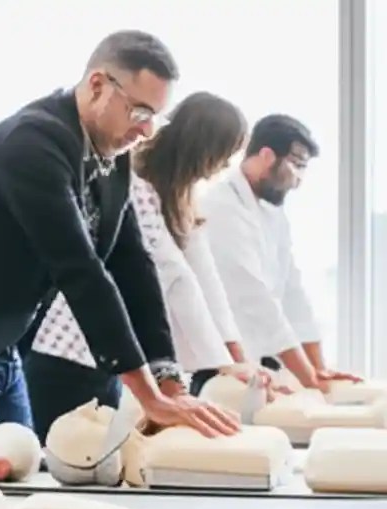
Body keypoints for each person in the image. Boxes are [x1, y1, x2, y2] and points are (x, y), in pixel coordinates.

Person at [0, 30, 240, 448]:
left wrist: (169, 381)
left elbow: (133, 265)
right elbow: (80, 271)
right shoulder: (32, 143)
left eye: (155, 117)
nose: (146, 130)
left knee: (25, 467)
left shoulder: (111, 158)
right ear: (97, 85)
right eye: (139, 111)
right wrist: (149, 398)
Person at [21, 92, 282, 429]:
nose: (225, 165)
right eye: (226, 153)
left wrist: (237, 361)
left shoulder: (181, 201)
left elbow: (207, 283)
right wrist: (224, 364)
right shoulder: (136, 190)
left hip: (114, 363)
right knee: (70, 454)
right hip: (73, 354)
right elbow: (179, 282)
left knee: (108, 453)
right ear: (205, 149)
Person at [199, 114, 362, 391]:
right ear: (267, 155)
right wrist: (309, 379)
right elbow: (256, 299)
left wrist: (319, 369)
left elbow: (292, 293)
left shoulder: (272, 213)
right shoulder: (222, 207)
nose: (298, 180)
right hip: (216, 367)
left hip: (257, 363)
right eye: (297, 165)